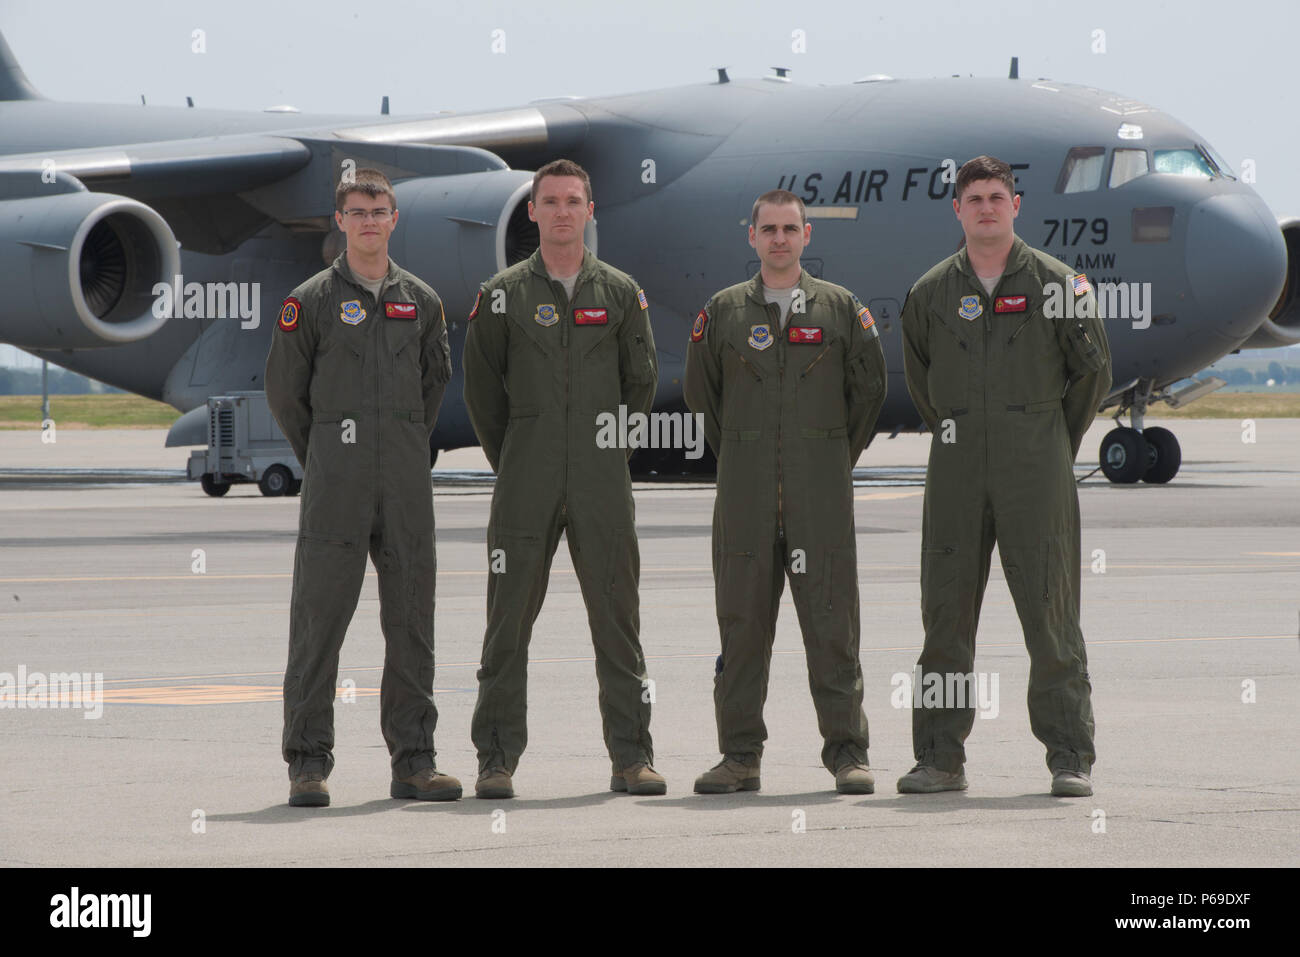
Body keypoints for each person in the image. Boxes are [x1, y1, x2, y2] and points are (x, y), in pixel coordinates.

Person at [898, 155, 1111, 797]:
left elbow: (1092, 374)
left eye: (997, 196)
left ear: (1015, 206)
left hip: (1035, 473)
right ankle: (939, 757)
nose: (987, 208)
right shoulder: (930, 293)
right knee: (945, 618)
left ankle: (1069, 756)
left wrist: (1045, 441)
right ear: (956, 210)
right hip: (957, 469)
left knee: (1051, 615)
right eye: (974, 199)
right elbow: (922, 383)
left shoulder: (1058, 284)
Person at [462, 158, 664, 798]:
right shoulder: (501, 296)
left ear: (589, 210)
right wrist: (521, 452)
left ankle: (632, 758)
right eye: (549, 201)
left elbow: (642, 386)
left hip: (602, 480)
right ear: (533, 211)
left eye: (573, 201)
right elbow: (482, 393)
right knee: (507, 624)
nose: (561, 212)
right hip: (526, 477)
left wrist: (603, 452)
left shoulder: (622, 294)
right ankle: (495, 760)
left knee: (618, 621)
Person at [684, 189, 887, 794]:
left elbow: (868, 394)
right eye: (767, 228)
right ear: (751, 236)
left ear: (806, 237)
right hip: (743, 501)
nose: (778, 238)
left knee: (832, 629)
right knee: (741, 629)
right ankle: (740, 756)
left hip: (819, 499)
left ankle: (848, 753)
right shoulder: (722, 312)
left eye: (789, 228)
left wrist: (825, 455)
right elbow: (704, 397)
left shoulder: (840, 310)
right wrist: (745, 453)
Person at [265, 167, 457, 807]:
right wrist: (325, 452)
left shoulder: (422, 302)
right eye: (358, 211)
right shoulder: (311, 300)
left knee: (412, 622)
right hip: (337, 484)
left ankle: (415, 762)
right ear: (340, 222)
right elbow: (286, 394)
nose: (370, 221)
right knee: (319, 622)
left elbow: (434, 388)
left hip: (404, 483)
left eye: (380, 211)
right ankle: (308, 764)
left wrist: (399, 443)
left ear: (394, 219)